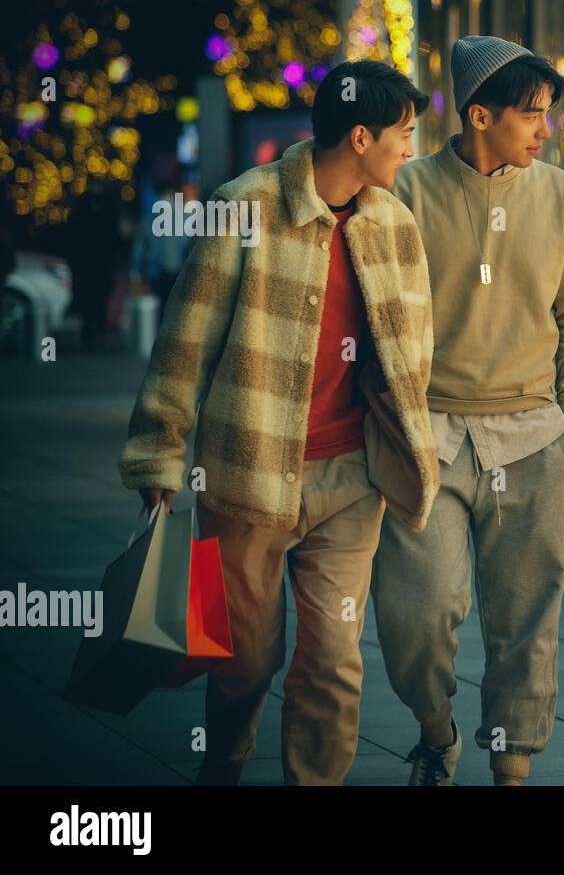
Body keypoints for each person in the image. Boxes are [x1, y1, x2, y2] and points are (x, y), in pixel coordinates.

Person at [118, 60, 439, 785]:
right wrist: (158, 455)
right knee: (243, 660)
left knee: (332, 660)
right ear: (361, 136)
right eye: (403, 135)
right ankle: (225, 763)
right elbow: (184, 342)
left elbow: (415, 348)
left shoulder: (394, 223)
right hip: (248, 472)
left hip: (352, 479)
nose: (410, 150)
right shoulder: (247, 207)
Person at [372, 35, 564, 787]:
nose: (547, 131)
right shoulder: (404, 194)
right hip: (427, 436)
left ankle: (513, 771)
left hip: (534, 434)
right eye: (532, 115)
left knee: (526, 623)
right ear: (479, 114)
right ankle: (435, 731)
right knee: (419, 611)